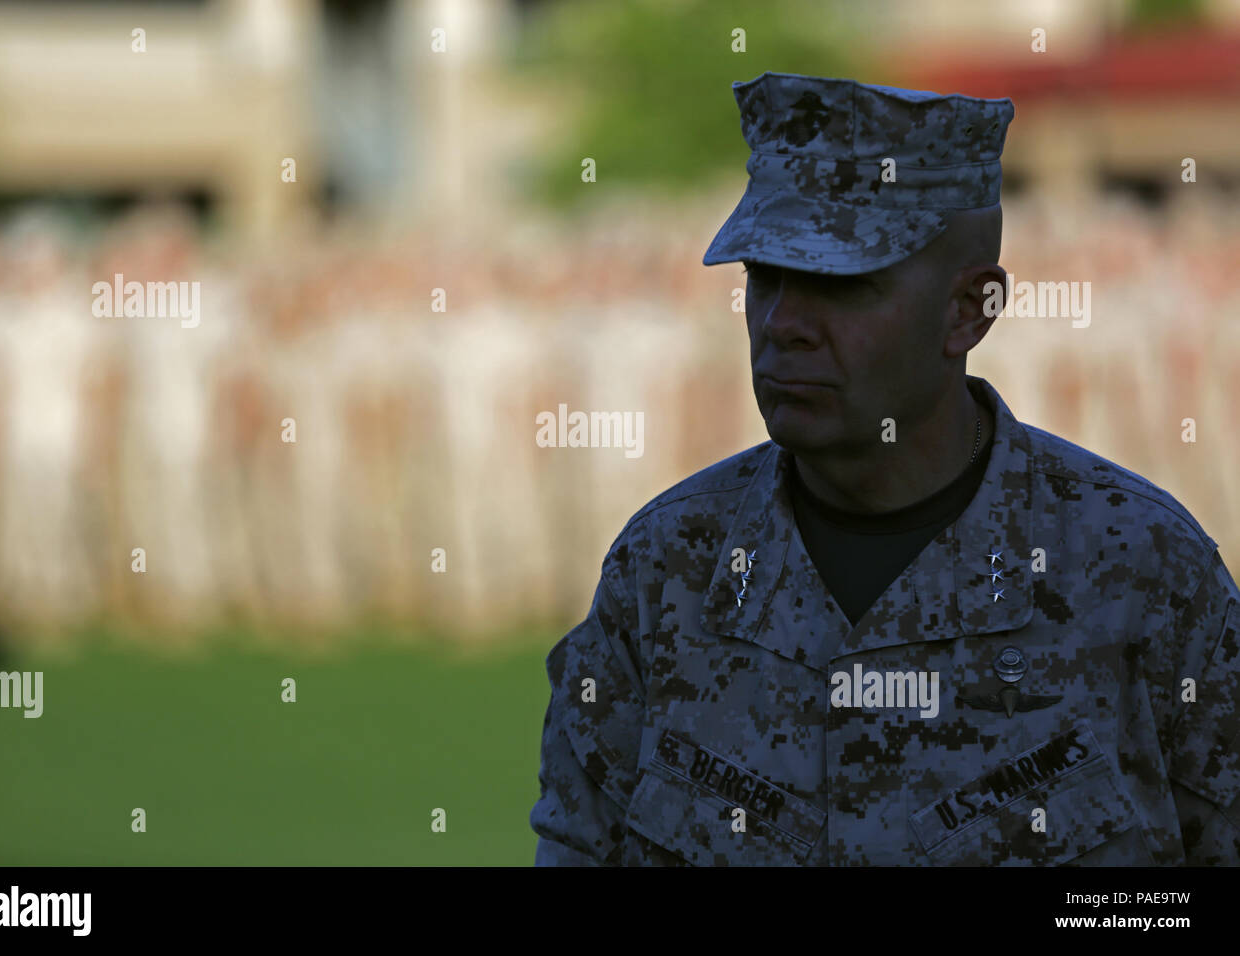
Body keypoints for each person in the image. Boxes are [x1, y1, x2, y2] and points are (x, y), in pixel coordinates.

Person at [528, 73, 1240, 866]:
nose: (782, 326)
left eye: (839, 284)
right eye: (764, 279)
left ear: (971, 311)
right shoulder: (667, 569)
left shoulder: (1141, 572)